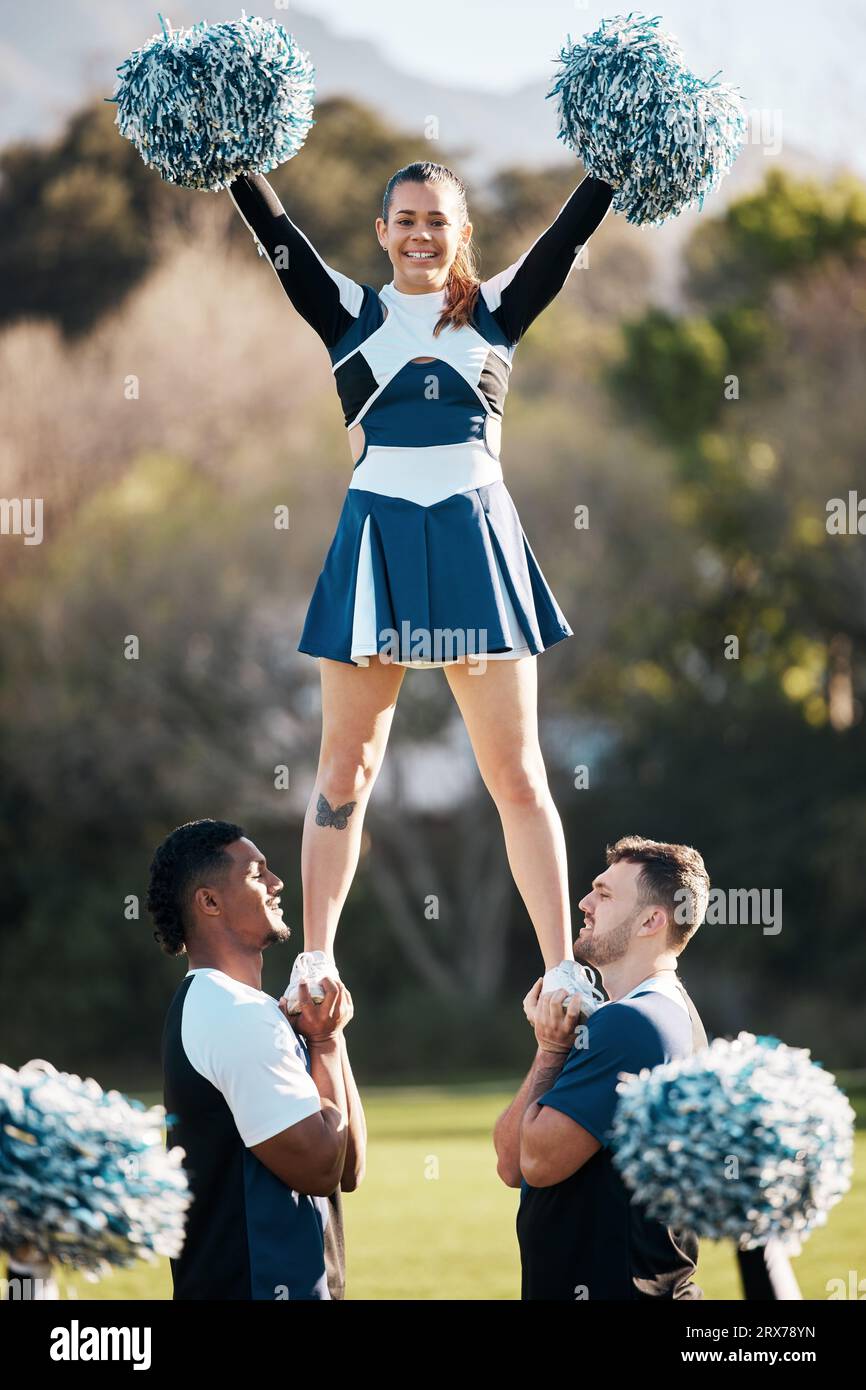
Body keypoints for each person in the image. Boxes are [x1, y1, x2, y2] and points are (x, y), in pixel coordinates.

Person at [226, 160, 614, 1009]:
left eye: (437, 221)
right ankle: (318, 960)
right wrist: (231, 156)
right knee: (345, 771)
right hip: (377, 546)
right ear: (381, 232)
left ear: (462, 233)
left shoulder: (500, 310)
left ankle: (559, 971)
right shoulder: (349, 312)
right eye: (404, 220)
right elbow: (276, 236)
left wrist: (614, 165)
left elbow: (566, 239)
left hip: (477, 543)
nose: (420, 235)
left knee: (516, 775)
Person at [146, 818, 365, 1300]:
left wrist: (331, 1039)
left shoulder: (246, 1008)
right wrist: (324, 1045)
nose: (276, 883)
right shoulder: (233, 1012)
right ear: (209, 902)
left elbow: (349, 1167)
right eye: (256, 873)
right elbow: (321, 1169)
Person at [493, 835, 710, 1300]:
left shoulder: (629, 1024)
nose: (584, 902)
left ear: (652, 920)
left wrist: (552, 1049)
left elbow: (533, 1162)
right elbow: (512, 1162)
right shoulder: (672, 1013)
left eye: (605, 894)